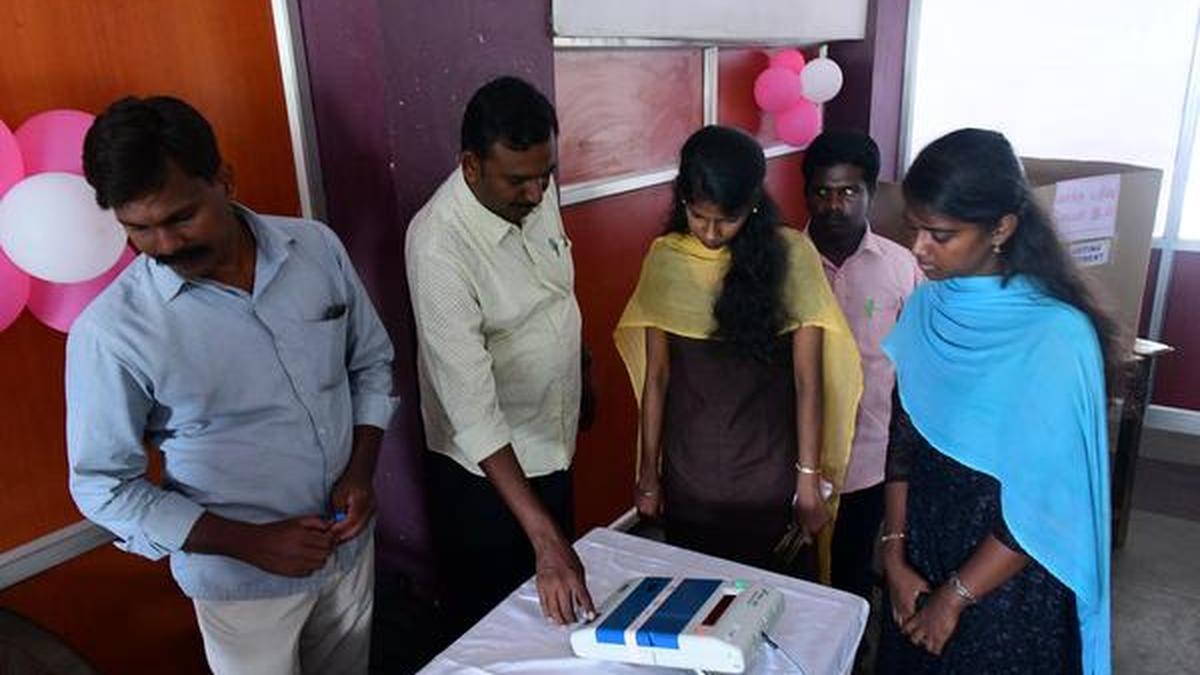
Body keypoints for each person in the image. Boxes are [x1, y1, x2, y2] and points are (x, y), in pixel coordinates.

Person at [68, 96, 397, 675]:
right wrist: (249, 543)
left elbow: (369, 362)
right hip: (240, 586)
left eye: (180, 217)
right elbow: (104, 487)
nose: (165, 245)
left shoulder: (316, 250)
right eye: (137, 229)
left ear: (223, 179)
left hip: (349, 553)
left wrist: (361, 471)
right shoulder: (113, 332)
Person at [878, 128, 1117, 674]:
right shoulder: (926, 308)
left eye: (940, 234)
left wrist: (955, 597)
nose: (918, 249)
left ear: (1001, 228)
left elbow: (1049, 499)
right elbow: (903, 437)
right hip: (922, 554)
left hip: (1006, 580)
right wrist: (894, 556)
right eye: (914, 229)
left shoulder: (1056, 336)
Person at [615, 125, 862, 576]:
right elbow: (657, 378)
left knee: (773, 594)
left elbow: (809, 381)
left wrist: (808, 481)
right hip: (690, 473)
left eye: (727, 219)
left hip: (768, 473)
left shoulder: (792, 256)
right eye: (698, 215)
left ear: (753, 204)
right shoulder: (666, 258)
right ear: (682, 199)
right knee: (697, 597)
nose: (710, 233)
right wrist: (648, 473)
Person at [405, 76, 594, 636]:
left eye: (547, 175)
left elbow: (556, 292)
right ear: (470, 165)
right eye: (519, 181)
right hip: (484, 480)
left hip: (551, 441)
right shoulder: (439, 247)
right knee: (496, 630)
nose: (537, 195)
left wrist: (581, 366)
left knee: (559, 616)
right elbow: (473, 413)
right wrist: (546, 539)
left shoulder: (532, 186)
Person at [803, 130, 923, 599]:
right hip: (795, 459)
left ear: (871, 194)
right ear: (806, 194)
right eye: (822, 192)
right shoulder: (781, 262)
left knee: (852, 576)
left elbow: (914, 369)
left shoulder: (901, 267)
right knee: (794, 577)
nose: (835, 206)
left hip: (869, 458)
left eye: (849, 192)